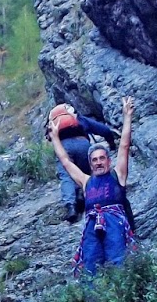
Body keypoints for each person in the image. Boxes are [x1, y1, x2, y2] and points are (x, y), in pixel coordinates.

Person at [49, 96, 135, 276]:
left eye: (102, 158)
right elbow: (65, 161)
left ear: (108, 161)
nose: (98, 162)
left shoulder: (117, 174)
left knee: (119, 261)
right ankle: (94, 300)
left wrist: (127, 117)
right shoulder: (86, 181)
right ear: (90, 163)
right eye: (94, 160)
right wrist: (55, 137)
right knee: (90, 266)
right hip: (91, 225)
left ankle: (123, 297)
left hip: (115, 222)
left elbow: (124, 145)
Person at [43, 103, 120, 222]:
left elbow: (49, 138)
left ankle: (71, 206)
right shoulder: (78, 119)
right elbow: (104, 130)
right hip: (83, 144)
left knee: (66, 176)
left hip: (63, 147)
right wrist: (112, 145)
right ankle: (94, 196)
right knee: (88, 171)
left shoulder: (54, 124)